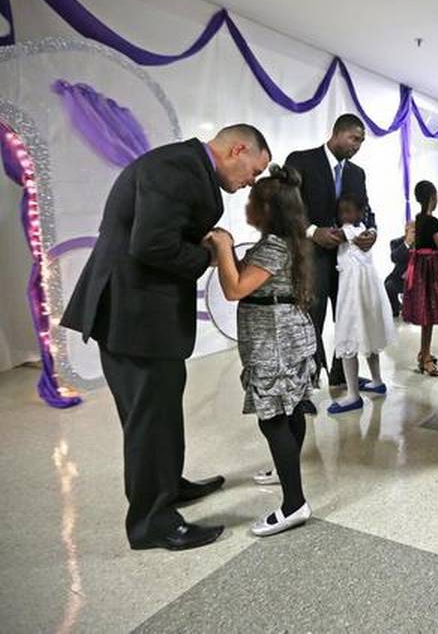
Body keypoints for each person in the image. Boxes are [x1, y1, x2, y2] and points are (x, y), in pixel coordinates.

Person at [60, 124, 271, 551]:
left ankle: (167, 486)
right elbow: (152, 244)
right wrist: (211, 254)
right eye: (255, 169)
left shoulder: (185, 165)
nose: (254, 180)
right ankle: (151, 523)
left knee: (161, 409)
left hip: (143, 316)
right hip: (133, 317)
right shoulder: (177, 167)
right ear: (238, 149)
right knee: (148, 417)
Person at [206, 165, 318, 537]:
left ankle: (294, 503)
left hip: (276, 342)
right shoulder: (286, 240)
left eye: (252, 200)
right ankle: (285, 469)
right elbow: (245, 278)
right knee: (292, 408)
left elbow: (235, 288)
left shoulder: (272, 246)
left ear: (267, 210)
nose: (246, 205)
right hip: (287, 337)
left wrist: (223, 247)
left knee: (272, 419)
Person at [285, 114, 378, 388]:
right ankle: (307, 383)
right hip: (310, 257)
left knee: (349, 317)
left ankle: (341, 375)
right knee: (310, 320)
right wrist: (313, 231)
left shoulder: (356, 173)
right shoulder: (301, 161)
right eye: (354, 139)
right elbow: (286, 207)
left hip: (347, 259)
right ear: (337, 134)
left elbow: (366, 211)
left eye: (361, 141)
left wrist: (371, 232)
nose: (357, 146)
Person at [328, 193, 396, 413]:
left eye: (348, 211)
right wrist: (373, 231)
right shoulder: (366, 230)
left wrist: (309, 230)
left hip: (351, 295)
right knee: (369, 336)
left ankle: (353, 395)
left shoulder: (349, 231)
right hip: (368, 293)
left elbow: (333, 234)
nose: (343, 216)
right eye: (341, 212)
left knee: (348, 338)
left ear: (359, 212)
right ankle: (376, 381)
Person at [403, 180, 438, 376]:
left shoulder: (418, 219)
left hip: (419, 268)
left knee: (427, 316)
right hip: (430, 269)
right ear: (432, 197)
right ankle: (425, 357)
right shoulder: (432, 221)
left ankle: (424, 353)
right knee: (429, 315)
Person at [385, 221, 415, 318]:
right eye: (413, 231)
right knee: (389, 285)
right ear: (406, 231)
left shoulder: (423, 242)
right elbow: (394, 258)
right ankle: (395, 308)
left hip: (417, 277)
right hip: (400, 277)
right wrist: (407, 243)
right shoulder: (396, 242)